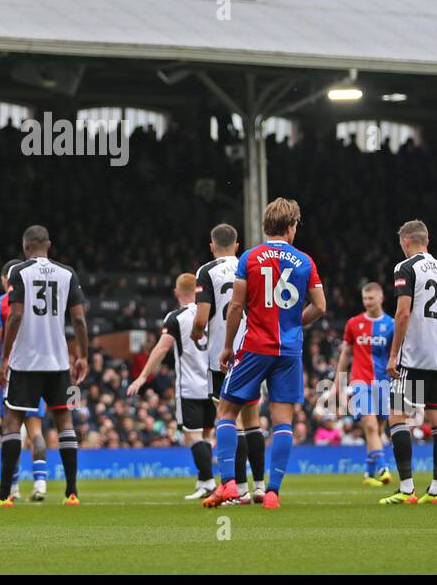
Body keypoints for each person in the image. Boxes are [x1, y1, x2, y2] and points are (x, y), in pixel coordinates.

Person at [204, 198, 326, 510]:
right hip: (289, 350)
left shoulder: (250, 257)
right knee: (283, 421)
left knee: (226, 412)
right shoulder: (305, 261)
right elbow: (320, 306)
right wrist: (293, 323)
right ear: (291, 227)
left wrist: (228, 346)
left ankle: (229, 484)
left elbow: (236, 306)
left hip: (255, 346)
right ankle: (272, 492)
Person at [0, 225, 89, 508]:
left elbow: (15, 316)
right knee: (64, 422)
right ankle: (71, 492)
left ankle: (4, 494)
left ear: (25, 246)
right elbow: (79, 319)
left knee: (12, 422)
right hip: (58, 361)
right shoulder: (67, 273)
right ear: (48, 244)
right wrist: (83, 356)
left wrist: (5, 358)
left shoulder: (19, 272)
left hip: (25, 362)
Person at [379, 220, 437, 505]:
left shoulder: (406, 267)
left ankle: (407, 489)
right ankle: (436, 489)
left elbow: (402, 313)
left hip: (413, 354)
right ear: (427, 240)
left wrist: (393, 355)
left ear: (406, 242)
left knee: (397, 416)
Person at [194, 224, 265, 502]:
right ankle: (260, 486)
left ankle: (239, 489)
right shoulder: (251, 266)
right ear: (237, 246)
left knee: (228, 420)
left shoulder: (206, 271)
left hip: (220, 357)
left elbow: (201, 318)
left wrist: (196, 333)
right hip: (252, 352)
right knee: (252, 421)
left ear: (212, 246)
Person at [129, 273, 215, 499]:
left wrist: (142, 376)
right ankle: (205, 480)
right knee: (207, 434)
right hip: (213, 384)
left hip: (189, 387)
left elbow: (161, 348)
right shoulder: (211, 312)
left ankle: (208, 482)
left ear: (176, 292)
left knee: (192, 436)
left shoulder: (176, 317)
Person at [0, 259, 48, 501]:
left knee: (10, 429)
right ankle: (41, 485)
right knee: (36, 431)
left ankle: (12, 488)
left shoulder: (0, 303)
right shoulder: (37, 301)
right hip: (39, 369)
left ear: (5, 279)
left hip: (13, 370)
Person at [336, 282, 394, 487]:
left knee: (377, 431)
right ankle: (383, 468)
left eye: (371, 298)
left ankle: (368, 474)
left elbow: (395, 355)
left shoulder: (392, 325)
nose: (367, 302)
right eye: (365, 299)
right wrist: (337, 382)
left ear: (381, 298)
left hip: (383, 383)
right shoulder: (353, 323)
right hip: (360, 381)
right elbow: (346, 353)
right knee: (369, 425)